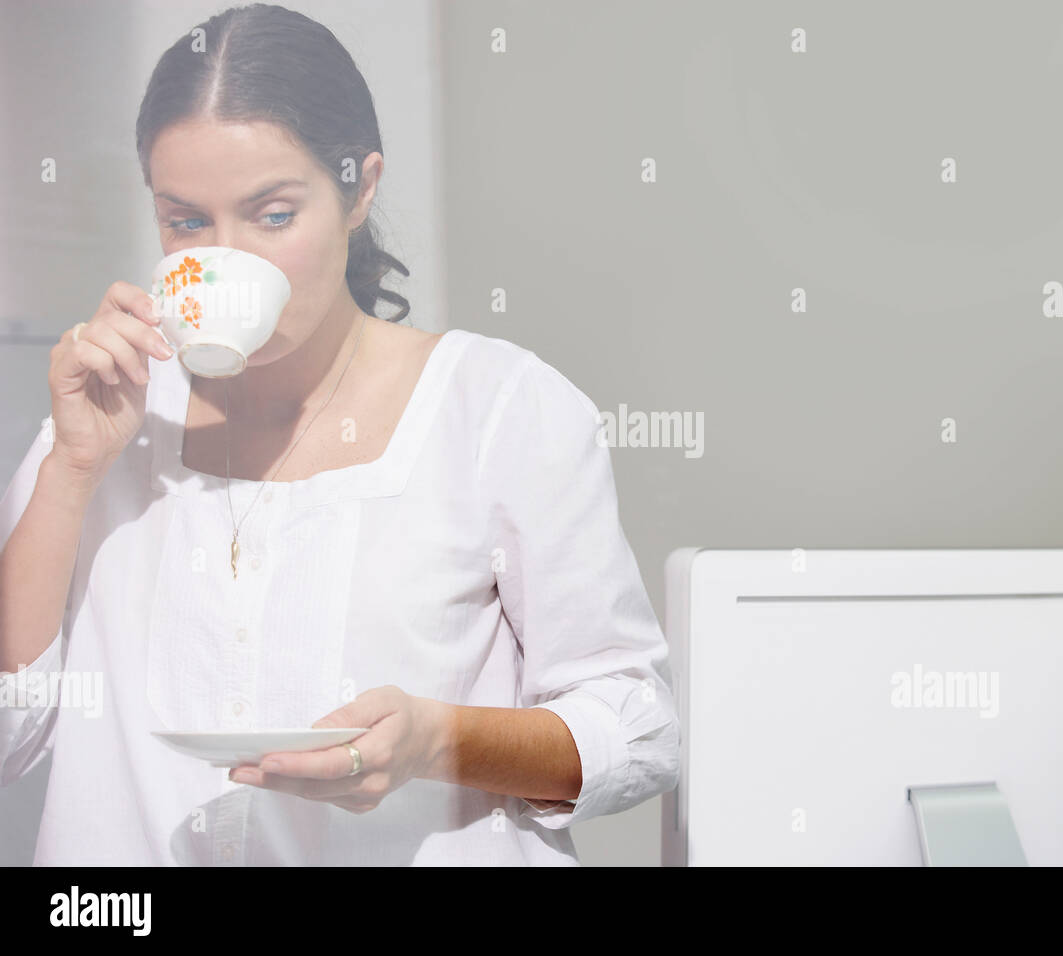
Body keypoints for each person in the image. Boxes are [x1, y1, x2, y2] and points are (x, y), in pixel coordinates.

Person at [0, 3, 678, 866]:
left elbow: (642, 730)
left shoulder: (498, 411)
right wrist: (69, 471)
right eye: (185, 221)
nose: (227, 254)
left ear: (360, 190)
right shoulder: (109, 420)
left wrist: (438, 742)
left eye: (272, 215)